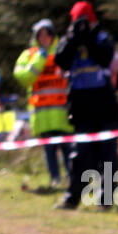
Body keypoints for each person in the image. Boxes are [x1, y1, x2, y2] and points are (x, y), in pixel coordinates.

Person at [53, 1, 118, 210]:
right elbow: (61, 61)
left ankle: (107, 199)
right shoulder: (68, 40)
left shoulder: (102, 37)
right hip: (80, 107)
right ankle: (73, 197)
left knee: (108, 153)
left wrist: (88, 38)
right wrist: (75, 38)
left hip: (104, 104)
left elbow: (104, 58)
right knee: (80, 154)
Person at [13, 18, 73, 192]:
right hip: (42, 113)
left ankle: (72, 179)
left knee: (67, 148)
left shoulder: (62, 48)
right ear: (36, 36)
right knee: (49, 150)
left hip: (63, 111)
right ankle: (55, 180)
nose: (44, 37)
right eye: (41, 34)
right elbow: (24, 77)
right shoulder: (30, 54)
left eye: (47, 33)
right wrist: (41, 57)